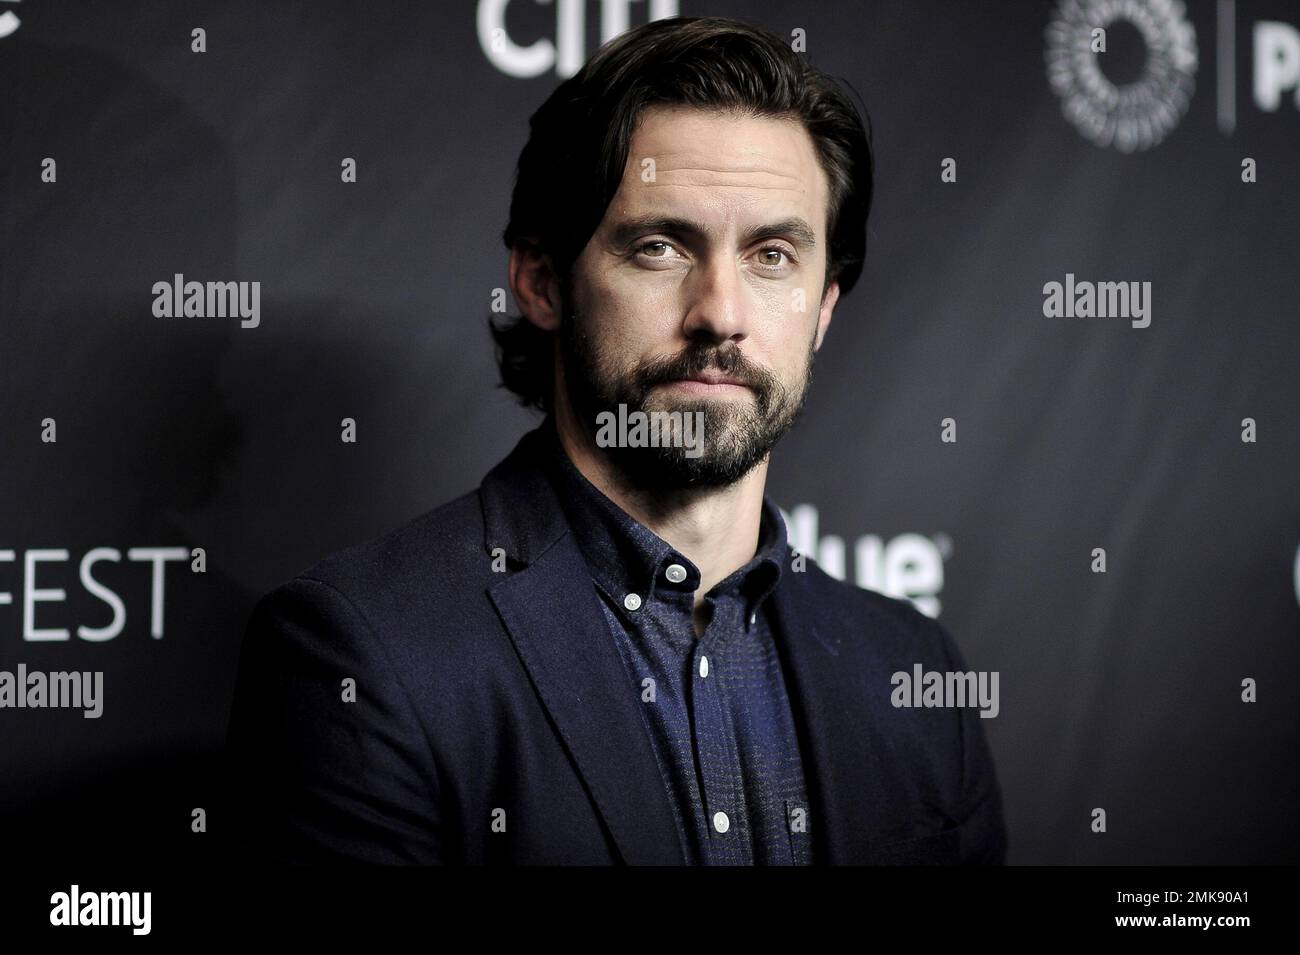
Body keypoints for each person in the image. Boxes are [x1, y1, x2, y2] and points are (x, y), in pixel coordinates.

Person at [225, 15, 1007, 865]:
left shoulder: (916, 674)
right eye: (661, 246)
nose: (722, 312)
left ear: (823, 308)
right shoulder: (366, 654)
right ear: (542, 282)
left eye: (773, 254)